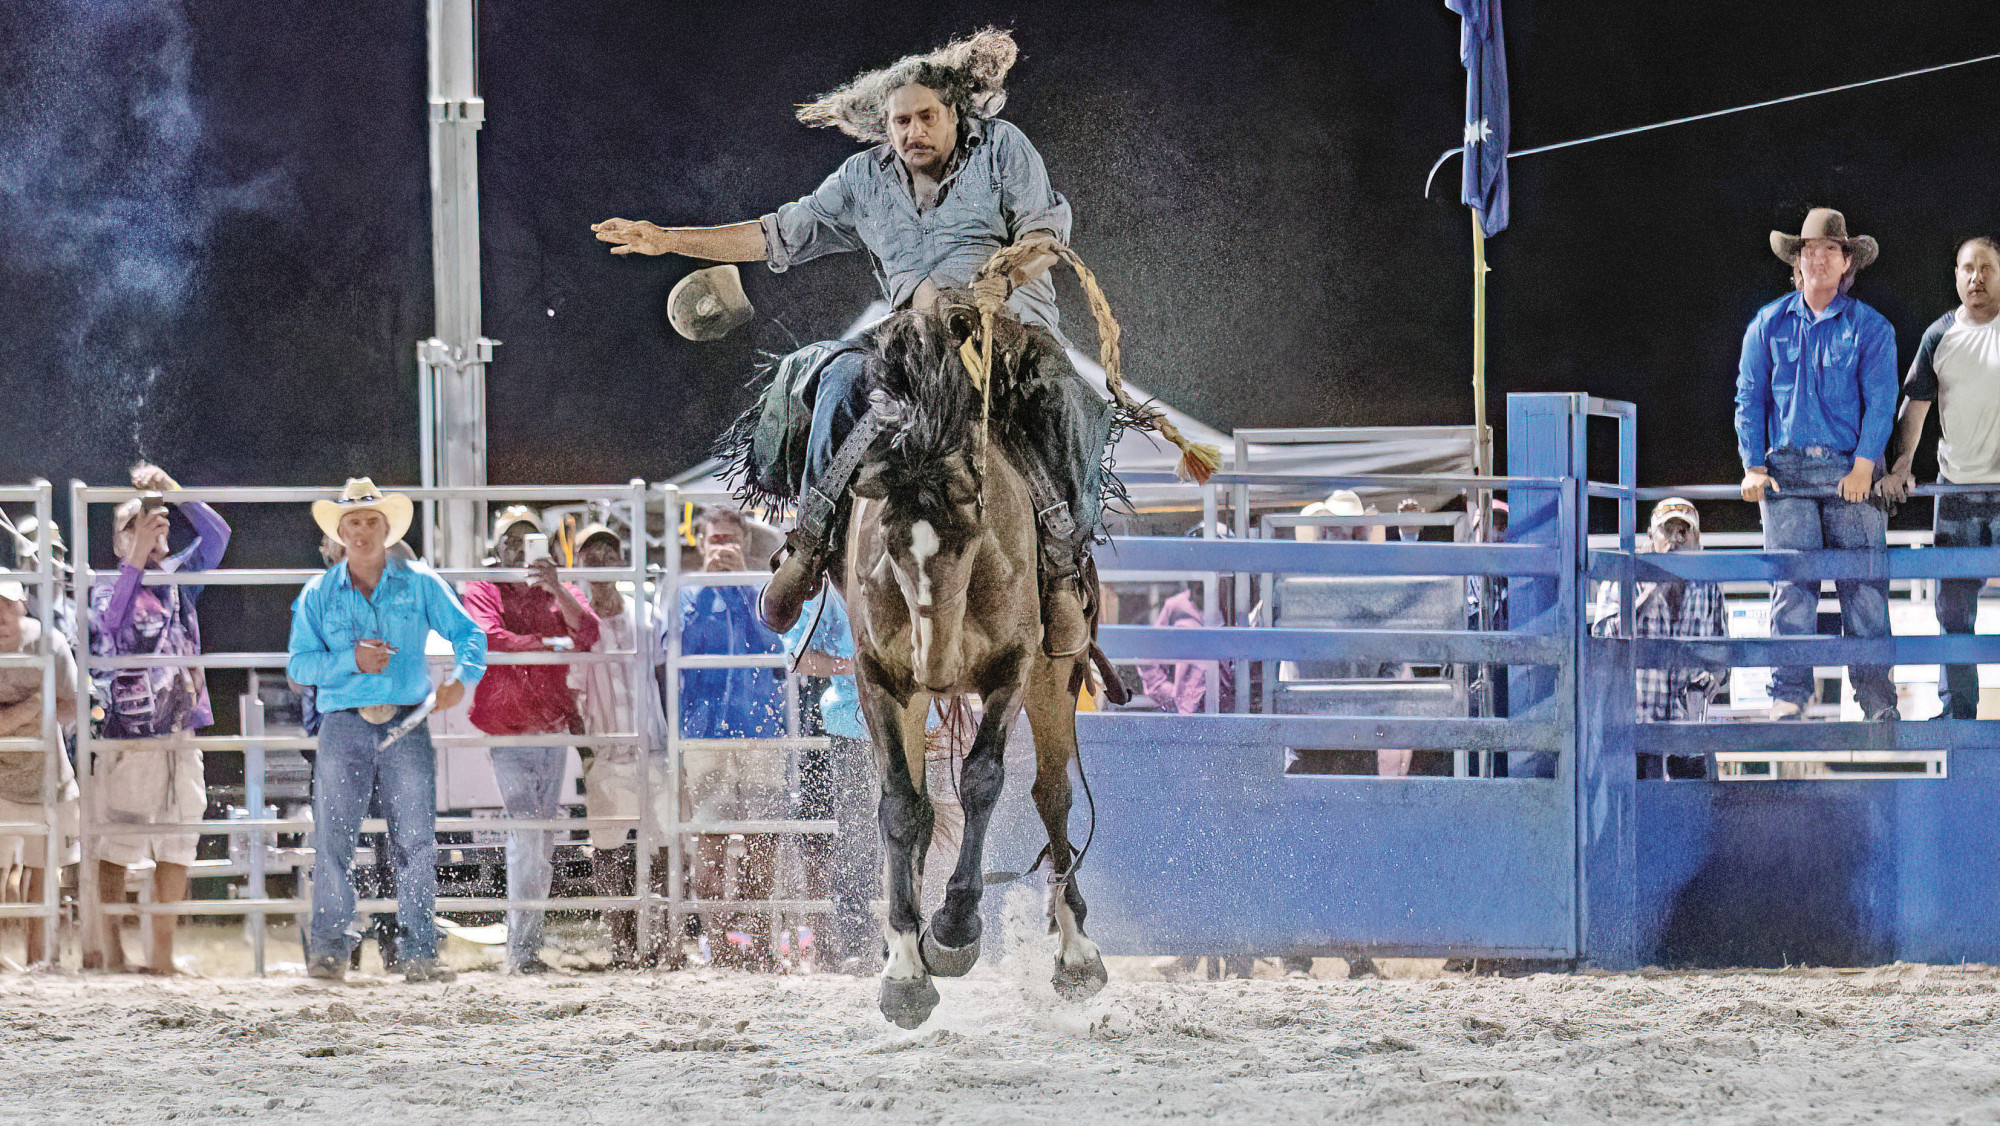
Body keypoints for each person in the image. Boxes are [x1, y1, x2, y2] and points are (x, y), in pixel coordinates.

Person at [594, 28, 1114, 659]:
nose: (912, 132)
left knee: (1071, 402)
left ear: (956, 114)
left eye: (926, 117)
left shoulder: (1005, 149)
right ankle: (809, 546)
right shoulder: (862, 180)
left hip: (1009, 330)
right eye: (900, 121)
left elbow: (1040, 234)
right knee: (837, 381)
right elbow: (775, 235)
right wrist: (666, 238)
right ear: (885, 126)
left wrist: (995, 283)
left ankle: (1060, 570)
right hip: (910, 341)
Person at [287, 479, 486, 983]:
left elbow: (470, 634)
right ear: (341, 532)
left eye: (370, 522)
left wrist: (463, 680)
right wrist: (350, 660)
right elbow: (298, 665)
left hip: (401, 719)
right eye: (353, 522)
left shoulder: (419, 582)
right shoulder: (319, 592)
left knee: (413, 841)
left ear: (384, 529)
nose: (361, 531)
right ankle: (336, 948)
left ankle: (414, 950)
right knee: (337, 838)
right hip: (347, 724)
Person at [1736, 208, 1899, 722]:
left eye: (1831, 249)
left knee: (1864, 588)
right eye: (1809, 249)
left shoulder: (1871, 328)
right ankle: (1789, 693)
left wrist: (1865, 464)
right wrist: (1753, 465)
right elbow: (1749, 396)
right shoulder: (1768, 323)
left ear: (1846, 260)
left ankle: (1876, 699)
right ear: (1797, 262)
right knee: (1791, 588)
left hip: (1849, 468)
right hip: (1785, 472)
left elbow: (1881, 399)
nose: (1819, 258)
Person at [86, 461, 230, 974]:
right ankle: (112, 953)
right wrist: (137, 559)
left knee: (179, 839)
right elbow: (108, 627)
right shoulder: (106, 584)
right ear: (119, 540)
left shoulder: (180, 580)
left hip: (181, 729)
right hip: (131, 734)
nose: (153, 525)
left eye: (158, 520)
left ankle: (162, 958)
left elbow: (218, 534)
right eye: (136, 523)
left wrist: (176, 493)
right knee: (116, 841)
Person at [463, 506, 600, 973]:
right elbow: (487, 637)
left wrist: (557, 587)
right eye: (512, 543)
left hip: (551, 725)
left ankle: (525, 949)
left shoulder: (554, 589)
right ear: (496, 551)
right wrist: (547, 645)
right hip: (511, 728)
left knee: (538, 839)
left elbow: (589, 633)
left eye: (528, 541)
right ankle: (521, 952)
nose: (520, 550)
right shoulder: (483, 586)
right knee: (528, 832)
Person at [1880, 236, 2000, 719]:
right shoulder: (1939, 336)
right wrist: (1903, 463)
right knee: (1953, 610)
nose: (1977, 277)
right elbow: (1915, 406)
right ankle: (1960, 709)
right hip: (1957, 490)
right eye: (1968, 268)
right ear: (1955, 275)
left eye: (1987, 268)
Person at [669, 505, 787, 969]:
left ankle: (759, 945)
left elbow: (774, 647)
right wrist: (708, 587)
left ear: (743, 544)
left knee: (763, 844)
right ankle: (718, 946)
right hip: (706, 733)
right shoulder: (687, 592)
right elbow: (680, 645)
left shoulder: (762, 590)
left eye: (729, 540)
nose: (722, 548)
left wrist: (740, 589)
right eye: (714, 539)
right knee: (710, 843)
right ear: (701, 542)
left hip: (759, 730)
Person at [567, 522, 661, 967]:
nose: (601, 566)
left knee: (660, 845)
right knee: (609, 849)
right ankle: (622, 944)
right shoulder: (575, 624)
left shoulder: (646, 614)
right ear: (579, 566)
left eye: (609, 556)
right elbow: (570, 692)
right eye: (592, 558)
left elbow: (663, 672)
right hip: (605, 749)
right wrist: (585, 751)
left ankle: (659, 939)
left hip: (652, 745)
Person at [1591, 499, 1729, 777]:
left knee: (1690, 813)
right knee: (1635, 813)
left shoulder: (1709, 584)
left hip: (1687, 729)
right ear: (1651, 536)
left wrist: (1716, 676)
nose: (1675, 540)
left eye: (1684, 531)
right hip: (1634, 726)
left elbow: (1723, 652)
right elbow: (1603, 642)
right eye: (1667, 530)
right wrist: (1653, 589)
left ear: (1696, 539)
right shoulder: (1624, 577)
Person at [783, 589, 880, 974]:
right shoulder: (819, 593)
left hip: (907, 722)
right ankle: (857, 940)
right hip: (855, 723)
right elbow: (799, 657)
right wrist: (858, 666)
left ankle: (895, 935)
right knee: (858, 835)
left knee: (884, 830)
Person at [0, 570, 79, 966]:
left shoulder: (50, 643)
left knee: (43, 871)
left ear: (22, 605)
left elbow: (74, 704)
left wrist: (27, 713)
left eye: (6, 605)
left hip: (47, 776)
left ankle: (40, 960)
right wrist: (35, 707)